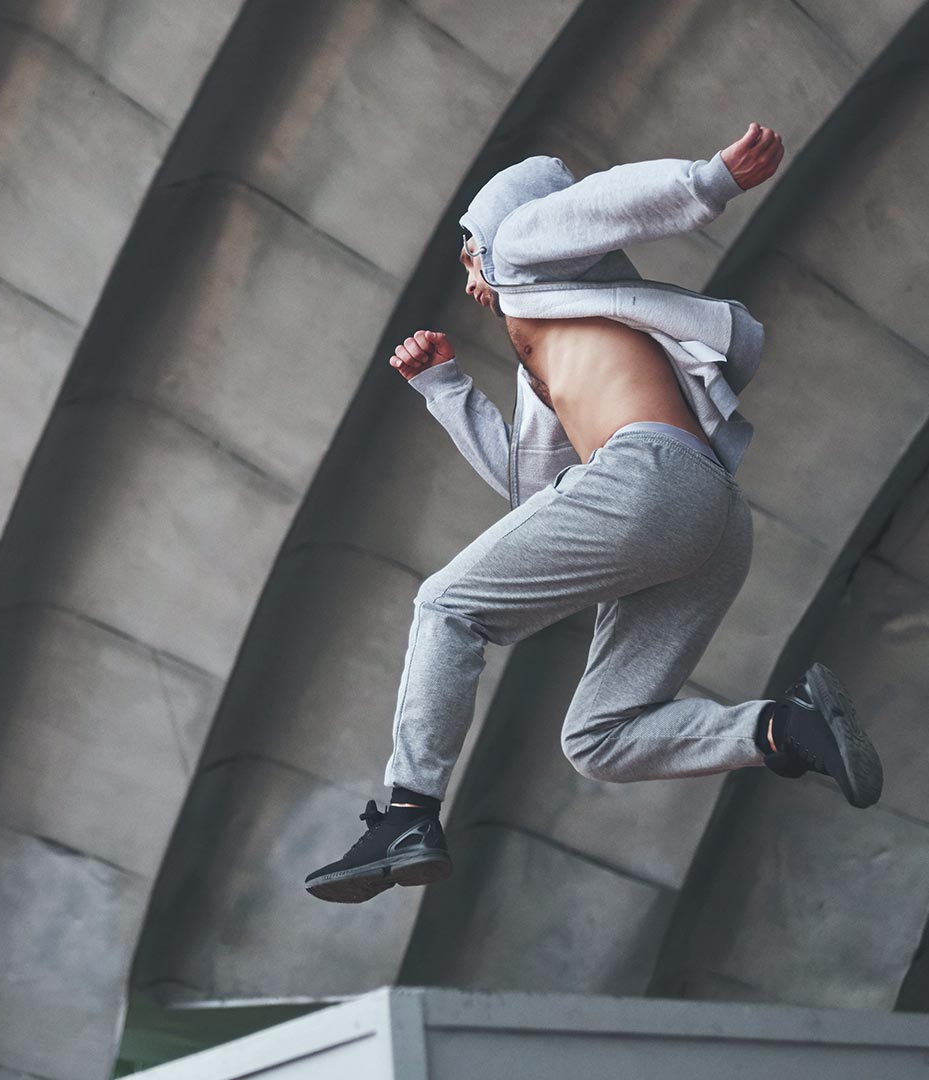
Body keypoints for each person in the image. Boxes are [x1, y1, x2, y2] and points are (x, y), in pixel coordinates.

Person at [305, 123, 881, 904]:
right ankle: (783, 728)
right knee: (599, 739)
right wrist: (445, 389)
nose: (470, 280)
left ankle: (408, 814)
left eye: (468, 254)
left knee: (445, 605)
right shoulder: (554, 345)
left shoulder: (520, 247)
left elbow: (602, 204)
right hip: (707, 519)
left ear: (492, 235)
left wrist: (708, 182)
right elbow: (533, 492)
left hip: (652, 479)